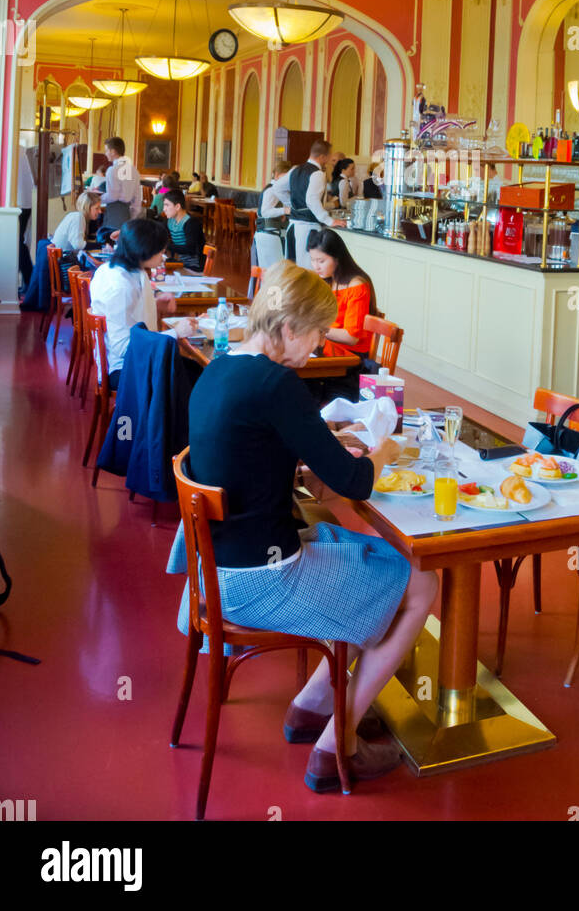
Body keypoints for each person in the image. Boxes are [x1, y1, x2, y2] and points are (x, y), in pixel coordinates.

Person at [165, 261, 438, 791]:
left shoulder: (219, 368)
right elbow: (356, 482)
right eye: (315, 337)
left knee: (365, 561)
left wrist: (312, 448)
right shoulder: (277, 387)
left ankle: (313, 704)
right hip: (260, 580)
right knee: (422, 580)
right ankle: (339, 741)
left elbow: (246, 452)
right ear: (289, 328)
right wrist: (384, 448)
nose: (315, 350)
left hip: (216, 571)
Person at [88, 218, 196, 387]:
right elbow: (124, 348)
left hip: (140, 360)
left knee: (196, 370)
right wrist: (175, 333)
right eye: (161, 251)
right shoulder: (119, 286)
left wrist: (155, 303)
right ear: (145, 250)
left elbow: (129, 314)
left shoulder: (123, 269)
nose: (164, 256)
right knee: (197, 380)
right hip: (123, 369)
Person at [306, 228, 377, 400]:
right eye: (313, 260)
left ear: (337, 258)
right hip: (329, 352)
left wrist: (317, 328)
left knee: (302, 384)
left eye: (321, 261)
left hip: (350, 362)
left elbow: (351, 337)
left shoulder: (356, 285)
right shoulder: (328, 281)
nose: (316, 266)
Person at [287, 140, 345, 268]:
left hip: (292, 226)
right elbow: (312, 200)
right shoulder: (317, 173)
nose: (330, 160)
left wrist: (293, 205)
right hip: (308, 227)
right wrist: (329, 220)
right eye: (329, 156)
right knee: (309, 270)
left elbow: (277, 188)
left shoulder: (295, 170)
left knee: (296, 268)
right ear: (322, 157)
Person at [50, 190, 103, 269]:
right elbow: (78, 245)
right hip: (64, 266)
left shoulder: (75, 216)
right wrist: (102, 246)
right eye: (97, 208)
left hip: (62, 262)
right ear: (87, 207)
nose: (100, 211)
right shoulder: (78, 217)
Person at [102, 137, 142, 231]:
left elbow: (113, 196)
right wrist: (133, 217)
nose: (105, 153)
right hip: (127, 213)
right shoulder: (134, 171)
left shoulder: (112, 170)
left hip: (115, 211)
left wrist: (97, 199)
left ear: (113, 151)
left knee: (110, 240)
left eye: (106, 150)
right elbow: (137, 198)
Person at [162, 187, 206, 271]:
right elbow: (160, 234)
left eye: (167, 205)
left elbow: (190, 249)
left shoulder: (191, 223)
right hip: (182, 264)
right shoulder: (171, 221)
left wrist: (166, 246)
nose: (164, 209)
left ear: (177, 206)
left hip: (194, 268)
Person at [16, 144, 35, 292]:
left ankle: (29, 281)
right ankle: (28, 282)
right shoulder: (21, 150)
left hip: (19, 204)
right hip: (24, 203)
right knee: (19, 243)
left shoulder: (13, 150)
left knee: (17, 244)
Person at [259, 160, 291, 234]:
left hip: (272, 229)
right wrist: (285, 210)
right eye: (285, 177)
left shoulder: (274, 188)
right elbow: (264, 212)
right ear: (276, 175)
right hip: (268, 230)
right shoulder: (272, 189)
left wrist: (282, 213)